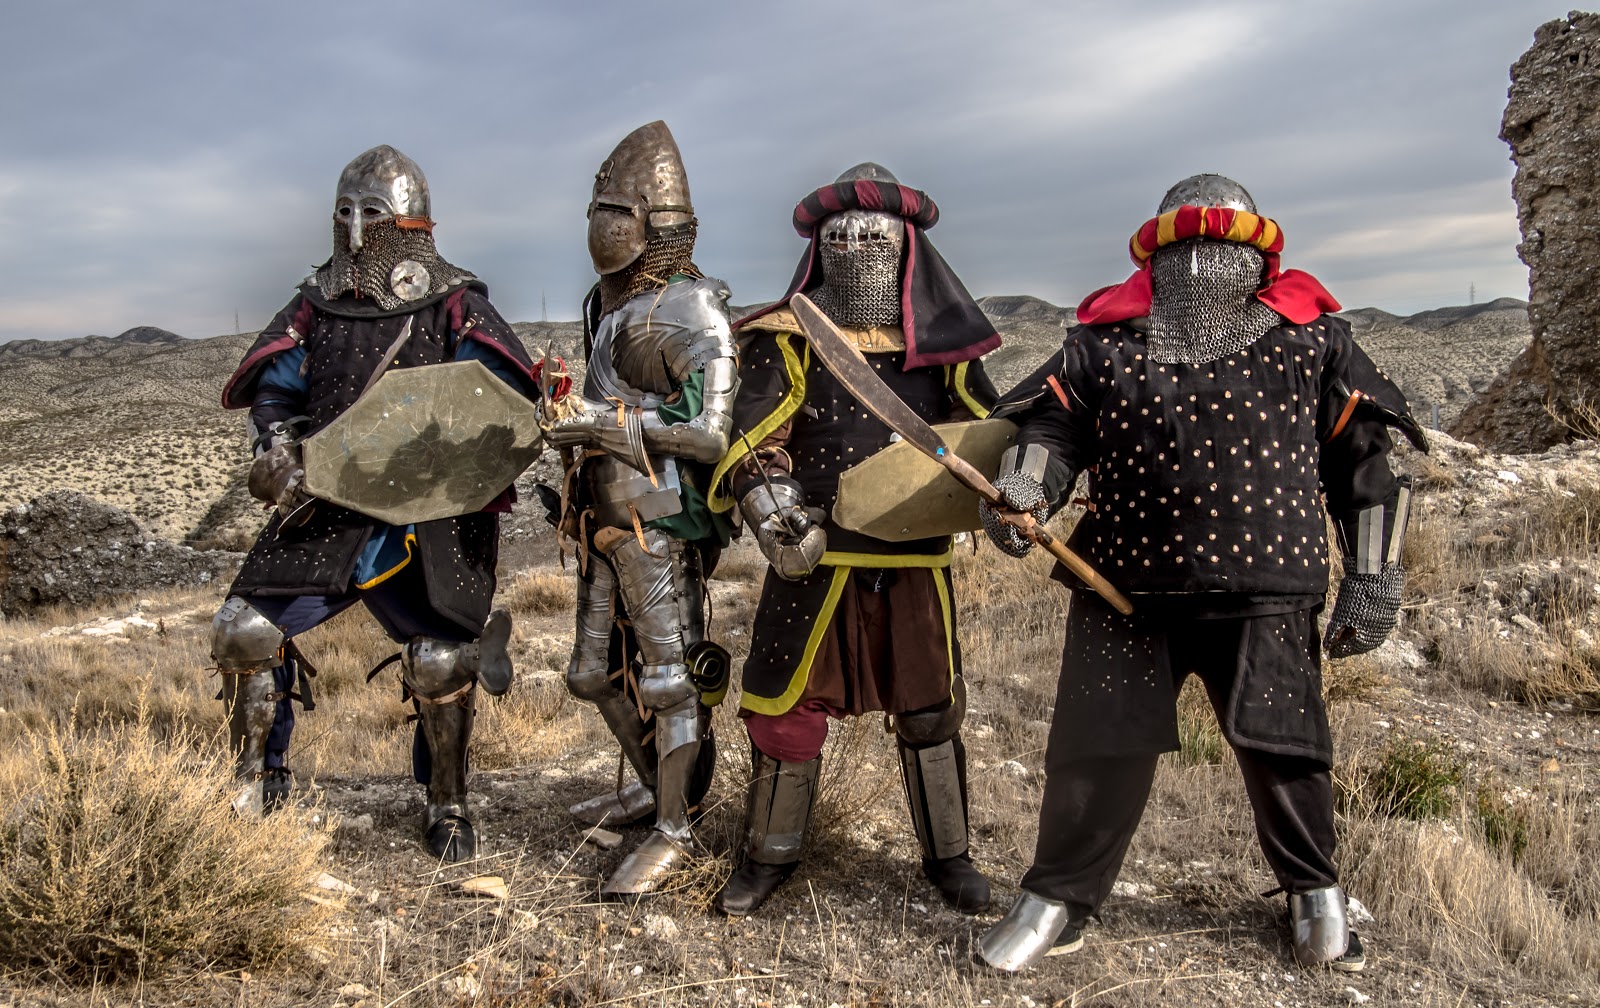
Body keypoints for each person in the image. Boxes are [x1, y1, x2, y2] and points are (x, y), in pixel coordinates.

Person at [974, 174, 1425, 971]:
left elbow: (1364, 467)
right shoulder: (1102, 345)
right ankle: (1055, 898)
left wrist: (1372, 578)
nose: (1201, 266)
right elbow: (1052, 428)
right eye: (1188, 251)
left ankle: (1315, 895)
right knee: (1095, 748)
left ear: (1254, 255)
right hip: (1125, 584)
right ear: (1160, 255)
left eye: (1217, 249)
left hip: (1266, 584)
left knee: (1285, 747)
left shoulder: (1312, 339)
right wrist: (1026, 489)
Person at [211, 145, 539, 863]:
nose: (357, 229)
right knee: (242, 631)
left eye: (374, 214)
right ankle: (256, 780)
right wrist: (274, 444)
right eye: (346, 213)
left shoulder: (454, 301)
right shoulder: (316, 301)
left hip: (427, 519)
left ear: (411, 223)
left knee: (442, 659)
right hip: (325, 505)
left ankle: (447, 802)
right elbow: (278, 391)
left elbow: (500, 407)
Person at [707, 163, 1001, 917]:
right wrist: (774, 507)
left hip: (912, 556)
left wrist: (1011, 493)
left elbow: (989, 436)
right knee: (783, 707)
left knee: (932, 709)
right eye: (844, 239)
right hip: (816, 553)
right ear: (821, 251)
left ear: (906, 248)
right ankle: (770, 855)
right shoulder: (790, 335)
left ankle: (951, 858)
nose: (860, 251)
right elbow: (755, 435)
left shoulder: (945, 346)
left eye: (875, 238)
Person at [541, 121, 735, 898]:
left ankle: (676, 827)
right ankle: (656, 787)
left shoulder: (693, 310)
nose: (602, 227)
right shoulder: (609, 308)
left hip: (657, 518)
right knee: (590, 674)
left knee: (668, 681)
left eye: (617, 212)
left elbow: (710, 433)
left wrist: (601, 423)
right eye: (598, 210)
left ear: (657, 224)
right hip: (600, 517)